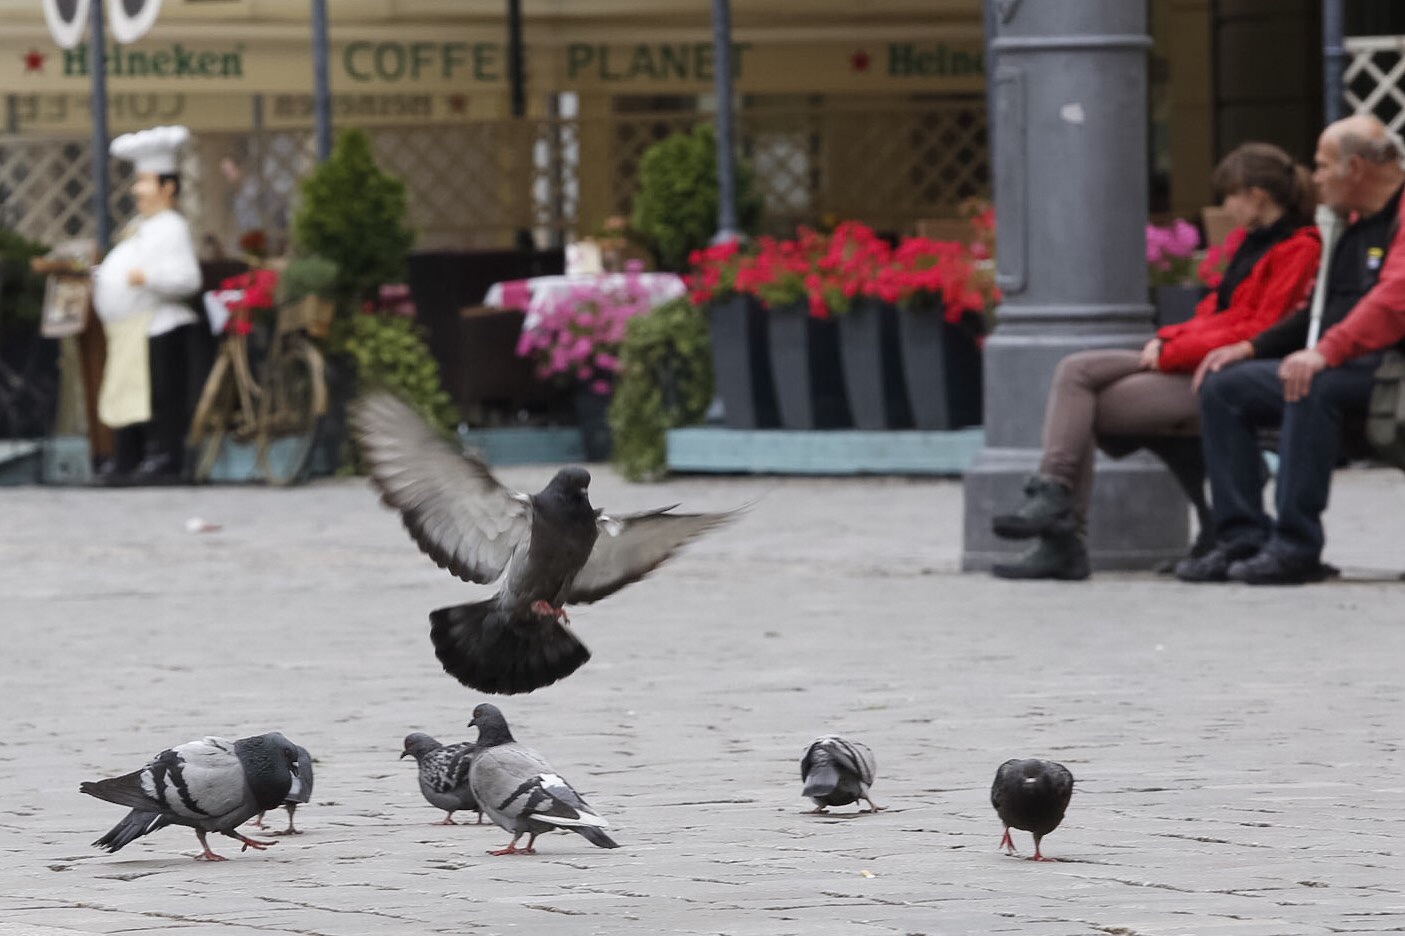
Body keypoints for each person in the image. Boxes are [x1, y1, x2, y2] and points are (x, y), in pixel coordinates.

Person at [990, 142, 1323, 580]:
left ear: (1256, 195)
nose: (1226, 206)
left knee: (1088, 406)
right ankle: (1054, 498)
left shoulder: (1298, 247)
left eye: (1231, 195)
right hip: (1200, 361)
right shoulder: (1253, 243)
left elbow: (1256, 326)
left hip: (1231, 373)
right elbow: (1218, 312)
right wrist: (1169, 340)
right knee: (1076, 368)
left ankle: (1062, 532)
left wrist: (1172, 350)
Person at [1177, 115, 1405, 585]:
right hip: (1347, 361)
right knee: (1225, 386)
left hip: (1392, 368)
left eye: (1322, 167)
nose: (1315, 178)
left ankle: (1295, 545)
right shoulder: (1351, 227)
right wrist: (1250, 347)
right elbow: (1316, 310)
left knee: (1310, 382)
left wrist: (1324, 352)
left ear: (1356, 168)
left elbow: (1394, 299)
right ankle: (1240, 536)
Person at [92, 125, 203, 484]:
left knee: (159, 398)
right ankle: (129, 456)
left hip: (158, 324)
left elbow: (188, 278)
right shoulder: (142, 226)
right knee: (129, 395)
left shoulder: (172, 227)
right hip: (130, 330)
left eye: (145, 181)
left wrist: (148, 278)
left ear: (167, 187)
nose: (137, 189)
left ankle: (163, 456)